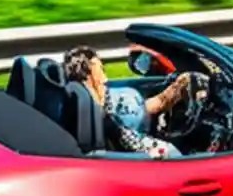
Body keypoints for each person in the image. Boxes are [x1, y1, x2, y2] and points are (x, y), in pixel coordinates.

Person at [62, 45, 190, 158]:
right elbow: (133, 142)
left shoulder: (78, 106)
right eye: (101, 69)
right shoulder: (105, 117)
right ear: (91, 74)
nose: (105, 78)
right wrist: (153, 153)